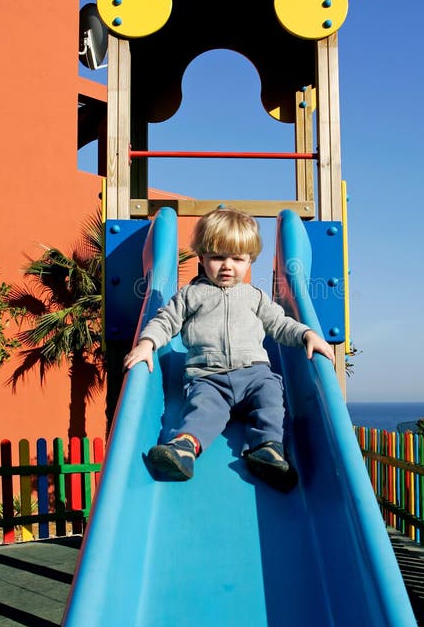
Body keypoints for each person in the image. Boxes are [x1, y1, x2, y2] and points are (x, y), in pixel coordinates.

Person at [124, 207, 335, 491]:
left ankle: (266, 448)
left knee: (272, 397)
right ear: (202, 257)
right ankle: (184, 448)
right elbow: (165, 321)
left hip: (254, 374)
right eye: (218, 257)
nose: (227, 265)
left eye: (237, 258)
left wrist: (307, 334)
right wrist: (147, 343)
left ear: (250, 261)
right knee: (202, 409)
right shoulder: (190, 295)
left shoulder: (255, 297)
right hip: (208, 376)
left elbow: (281, 324)